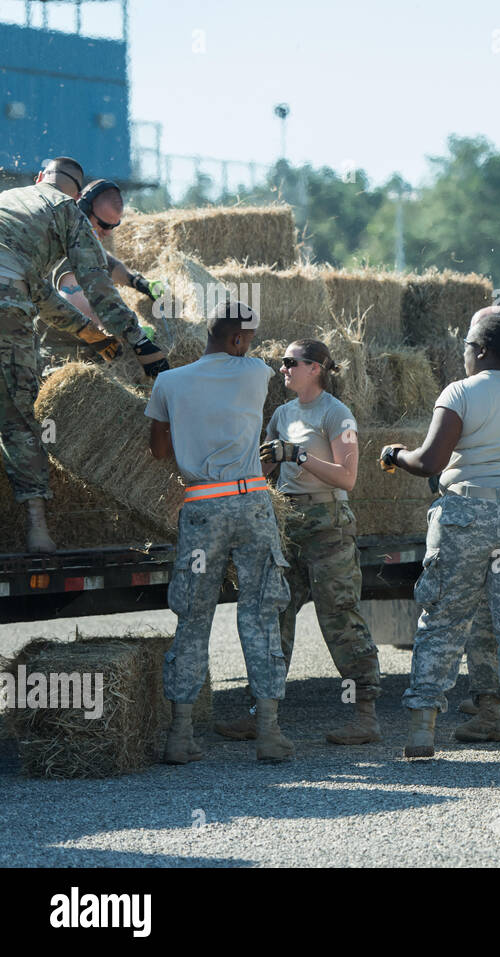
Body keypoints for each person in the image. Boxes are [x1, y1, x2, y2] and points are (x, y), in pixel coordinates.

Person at [385, 306, 500, 764]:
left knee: (443, 620)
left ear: (480, 350)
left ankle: (422, 733)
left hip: (465, 513)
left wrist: (396, 454)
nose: (463, 354)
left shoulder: (459, 392)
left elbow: (429, 462)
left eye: (466, 346)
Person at [144, 299, 293, 764]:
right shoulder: (256, 374)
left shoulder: (168, 383)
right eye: (249, 339)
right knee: (260, 613)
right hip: (250, 504)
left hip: (201, 509)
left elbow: (158, 451)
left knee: (193, 618)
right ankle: (269, 733)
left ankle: (180, 735)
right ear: (237, 339)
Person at [213, 339, 383, 746]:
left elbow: (347, 478)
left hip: (328, 525)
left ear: (315, 368)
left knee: (339, 617)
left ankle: (365, 717)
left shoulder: (336, 413)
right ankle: (261, 715)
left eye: (291, 362)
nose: (283, 368)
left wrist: (299, 455)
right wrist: (260, 459)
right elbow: (265, 470)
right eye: (282, 362)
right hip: (288, 523)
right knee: (275, 617)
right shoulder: (282, 414)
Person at [0, 157, 168, 551]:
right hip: (10, 314)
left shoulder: (9, 201)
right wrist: (140, 343)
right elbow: (98, 287)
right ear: (78, 198)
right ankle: (37, 528)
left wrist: (90, 333)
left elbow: (34, 289)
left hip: (14, 296)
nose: (105, 233)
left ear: (40, 178)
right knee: (19, 419)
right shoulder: (65, 211)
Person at [36, 178, 166, 368]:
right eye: (104, 225)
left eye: (114, 226)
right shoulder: (69, 245)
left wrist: (138, 282)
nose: (108, 233)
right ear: (83, 209)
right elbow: (74, 300)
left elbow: (106, 262)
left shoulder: (84, 240)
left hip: (82, 357)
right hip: (63, 360)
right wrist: (128, 333)